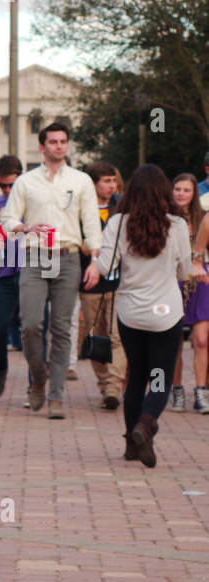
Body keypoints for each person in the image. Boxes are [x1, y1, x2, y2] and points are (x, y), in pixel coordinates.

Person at [84, 164, 206, 466]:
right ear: (164, 191)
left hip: (130, 311)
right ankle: (146, 424)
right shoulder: (176, 225)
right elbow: (181, 270)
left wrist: (93, 265)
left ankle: (130, 443)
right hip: (165, 311)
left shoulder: (118, 222)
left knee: (136, 376)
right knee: (160, 375)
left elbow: (106, 265)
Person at [0, 122, 101, 419]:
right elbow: (7, 219)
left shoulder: (81, 181)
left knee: (62, 328)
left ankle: (56, 394)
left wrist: (95, 260)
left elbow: (91, 222)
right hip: (35, 255)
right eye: (53, 141)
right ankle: (38, 378)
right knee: (30, 324)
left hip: (68, 257)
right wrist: (24, 226)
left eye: (63, 141)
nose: (59, 146)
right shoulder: (26, 182)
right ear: (42, 147)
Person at [78, 162, 125, 411]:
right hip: (90, 285)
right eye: (106, 181)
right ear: (93, 184)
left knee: (118, 337)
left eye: (114, 181)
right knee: (96, 338)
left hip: (119, 283)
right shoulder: (80, 209)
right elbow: (78, 244)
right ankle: (104, 383)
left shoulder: (123, 207)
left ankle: (113, 389)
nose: (112, 186)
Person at [0, 155, 25, 399]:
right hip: (5, 274)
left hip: (32, 272)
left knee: (34, 331)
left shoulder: (35, 202)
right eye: (3, 185)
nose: (8, 190)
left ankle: (35, 384)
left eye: (13, 185)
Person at [169, 172, 206, 412]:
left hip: (201, 281)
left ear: (195, 194)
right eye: (178, 189)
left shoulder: (204, 218)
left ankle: (201, 392)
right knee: (174, 343)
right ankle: (177, 391)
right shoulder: (166, 219)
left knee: (201, 340)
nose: (181, 193)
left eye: (186, 190)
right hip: (172, 280)